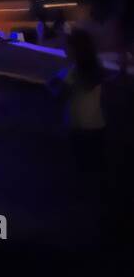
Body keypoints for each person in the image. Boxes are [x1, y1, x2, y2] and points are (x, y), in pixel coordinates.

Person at [50, 27, 106, 174]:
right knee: (96, 169)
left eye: (68, 47)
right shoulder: (96, 67)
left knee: (80, 168)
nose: (65, 50)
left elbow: (59, 95)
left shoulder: (71, 73)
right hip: (97, 125)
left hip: (78, 127)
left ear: (75, 50)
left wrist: (53, 84)